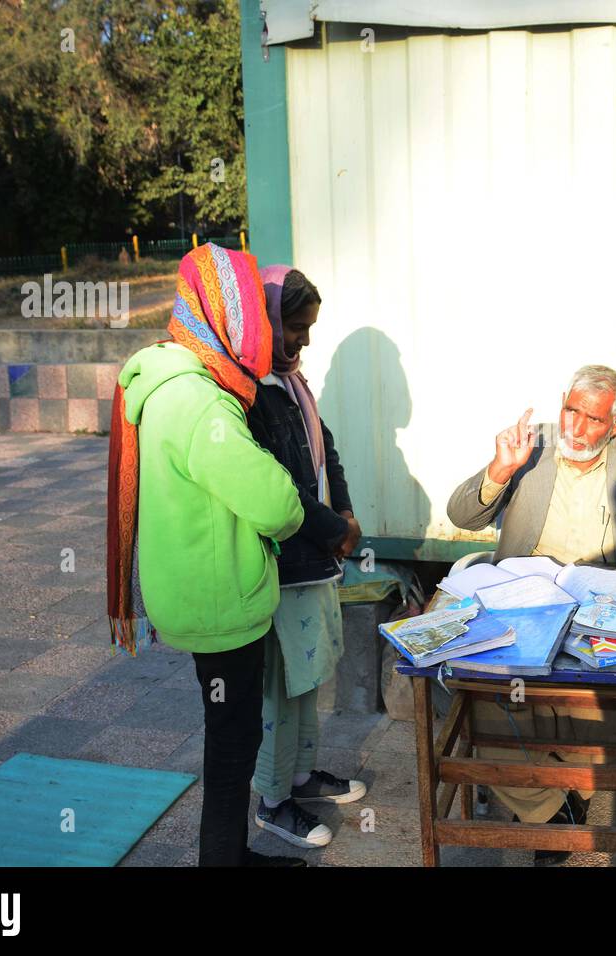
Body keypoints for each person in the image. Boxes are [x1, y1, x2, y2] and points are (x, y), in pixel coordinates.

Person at [107, 243, 305, 867]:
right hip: (220, 606)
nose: (262, 330)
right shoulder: (199, 401)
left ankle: (230, 854)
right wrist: (288, 492)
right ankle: (223, 861)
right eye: (254, 314)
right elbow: (276, 505)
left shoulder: (169, 379)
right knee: (230, 747)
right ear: (226, 316)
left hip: (194, 590)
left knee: (231, 739)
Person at [446, 364, 616, 863]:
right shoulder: (528, 449)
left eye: (593, 419)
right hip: (525, 602)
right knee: (478, 699)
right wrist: (500, 471)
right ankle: (552, 809)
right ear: (561, 402)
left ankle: (550, 788)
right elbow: (461, 516)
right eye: (570, 411)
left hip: (596, 607)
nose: (576, 429)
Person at [246, 266, 368, 849]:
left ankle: (299, 775)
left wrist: (344, 513)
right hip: (284, 566)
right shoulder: (250, 393)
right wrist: (332, 531)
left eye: (309, 327)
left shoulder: (293, 386)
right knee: (281, 687)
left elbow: (328, 452)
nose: (304, 340)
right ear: (265, 319)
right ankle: (272, 800)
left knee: (307, 678)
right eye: (295, 327)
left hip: (314, 560)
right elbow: (280, 490)